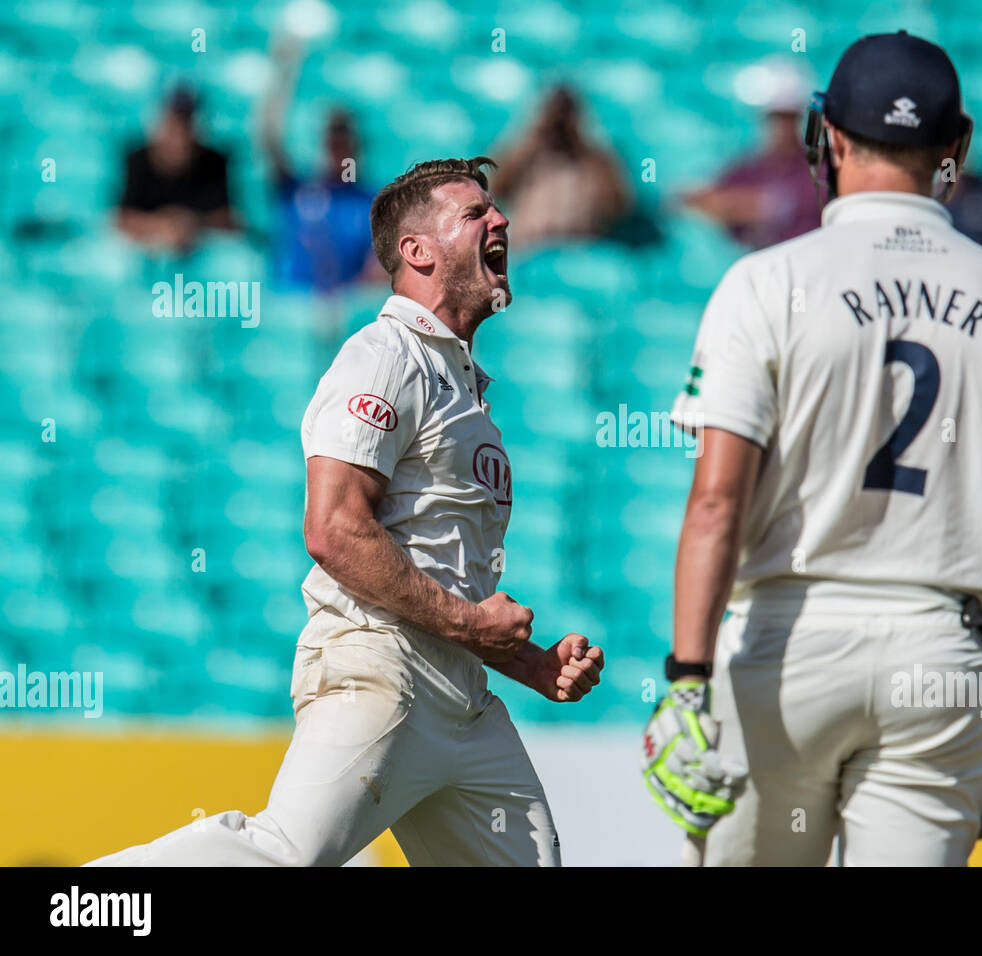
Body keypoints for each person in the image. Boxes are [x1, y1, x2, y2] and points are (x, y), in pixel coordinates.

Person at [642, 32, 982, 867]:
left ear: (829, 138)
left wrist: (687, 680)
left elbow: (716, 502)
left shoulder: (765, 281)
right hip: (949, 658)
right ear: (956, 147)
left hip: (790, 639)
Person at [87, 157, 604, 867]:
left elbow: (444, 575)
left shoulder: (464, 388)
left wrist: (535, 666)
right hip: (383, 668)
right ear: (416, 251)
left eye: (495, 210)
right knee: (286, 855)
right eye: (475, 214)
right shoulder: (384, 355)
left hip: (462, 696)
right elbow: (333, 530)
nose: (501, 221)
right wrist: (470, 624)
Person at [260, 36, 384, 291]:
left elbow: (377, 271)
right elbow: (268, 136)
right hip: (293, 308)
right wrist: (284, 70)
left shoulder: (373, 203)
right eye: (332, 144)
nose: (338, 154)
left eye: (345, 145)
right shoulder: (296, 190)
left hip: (346, 311)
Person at [680, 58, 822, 249]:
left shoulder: (822, 168)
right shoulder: (748, 169)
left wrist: (739, 205)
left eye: (788, 117)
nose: (782, 126)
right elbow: (688, 200)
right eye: (776, 117)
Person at [490, 86, 630, 248]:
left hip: (579, 251)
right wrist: (534, 135)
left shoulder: (593, 161)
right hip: (529, 250)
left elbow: (619, 205)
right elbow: (495, 188)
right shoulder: (525, 156)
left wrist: (584, 139)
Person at [116, 85, 238, 253]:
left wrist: (192, 223)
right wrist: (161, 225)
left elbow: (229, 220)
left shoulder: (215, 161)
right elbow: (122, 218)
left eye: (186, 121)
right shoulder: (137, 158)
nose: (180, 130)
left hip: (200, 247)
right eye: (174, 120)